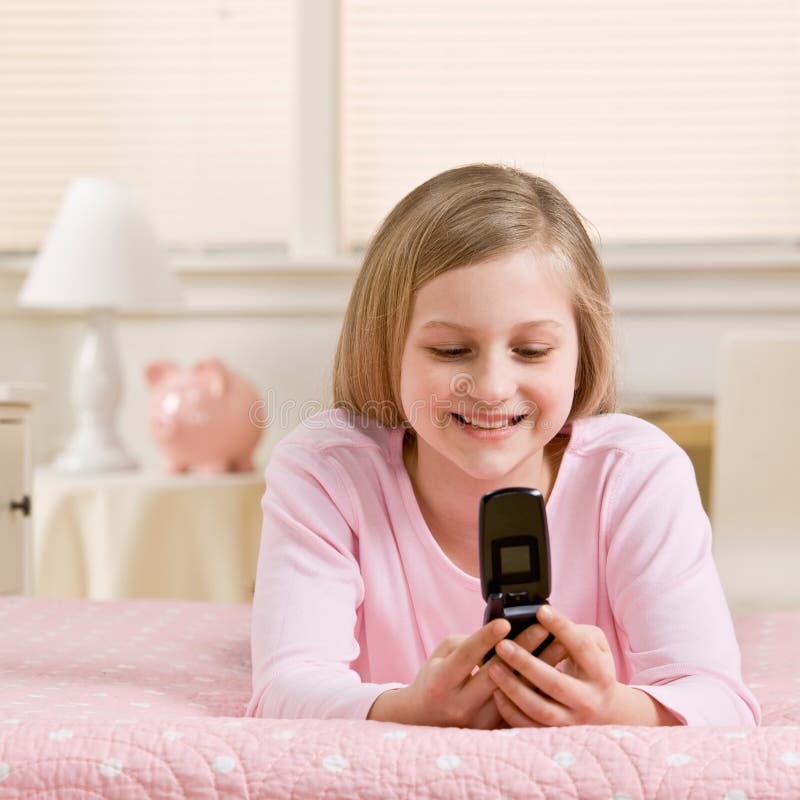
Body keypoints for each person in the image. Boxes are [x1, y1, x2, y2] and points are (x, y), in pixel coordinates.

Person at [247, 164, 760, 728]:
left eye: (533, 350)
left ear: (581, 354)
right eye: (449, 351)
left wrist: (612, 709)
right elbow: (283, 691)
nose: (490, 388)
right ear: (386, 347)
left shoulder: (636, 474)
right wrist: (409, 710)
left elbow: (719, 701)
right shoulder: (326, 471)